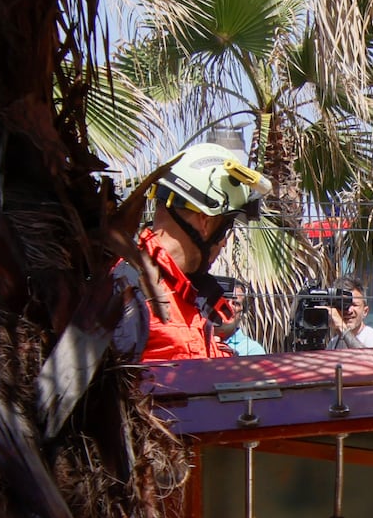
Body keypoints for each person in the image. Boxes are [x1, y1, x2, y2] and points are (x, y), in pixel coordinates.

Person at [114, 143, 272, 362]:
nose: (224, 243)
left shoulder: (189, 295)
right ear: (206, 221)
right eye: (226, 229)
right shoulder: (126, 291)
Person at [325, 275, 373, 349]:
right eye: (344, 305)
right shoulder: (334, 343)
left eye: (354, 305)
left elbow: (366, 358)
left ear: (365, 312)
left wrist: (342, 327)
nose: (349, 310)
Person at [212, 278, 266, 356]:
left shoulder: (252, 350)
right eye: (225, 301)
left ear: (242, 311)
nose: (229, 307)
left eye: (236, 303)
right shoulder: (195, 339)